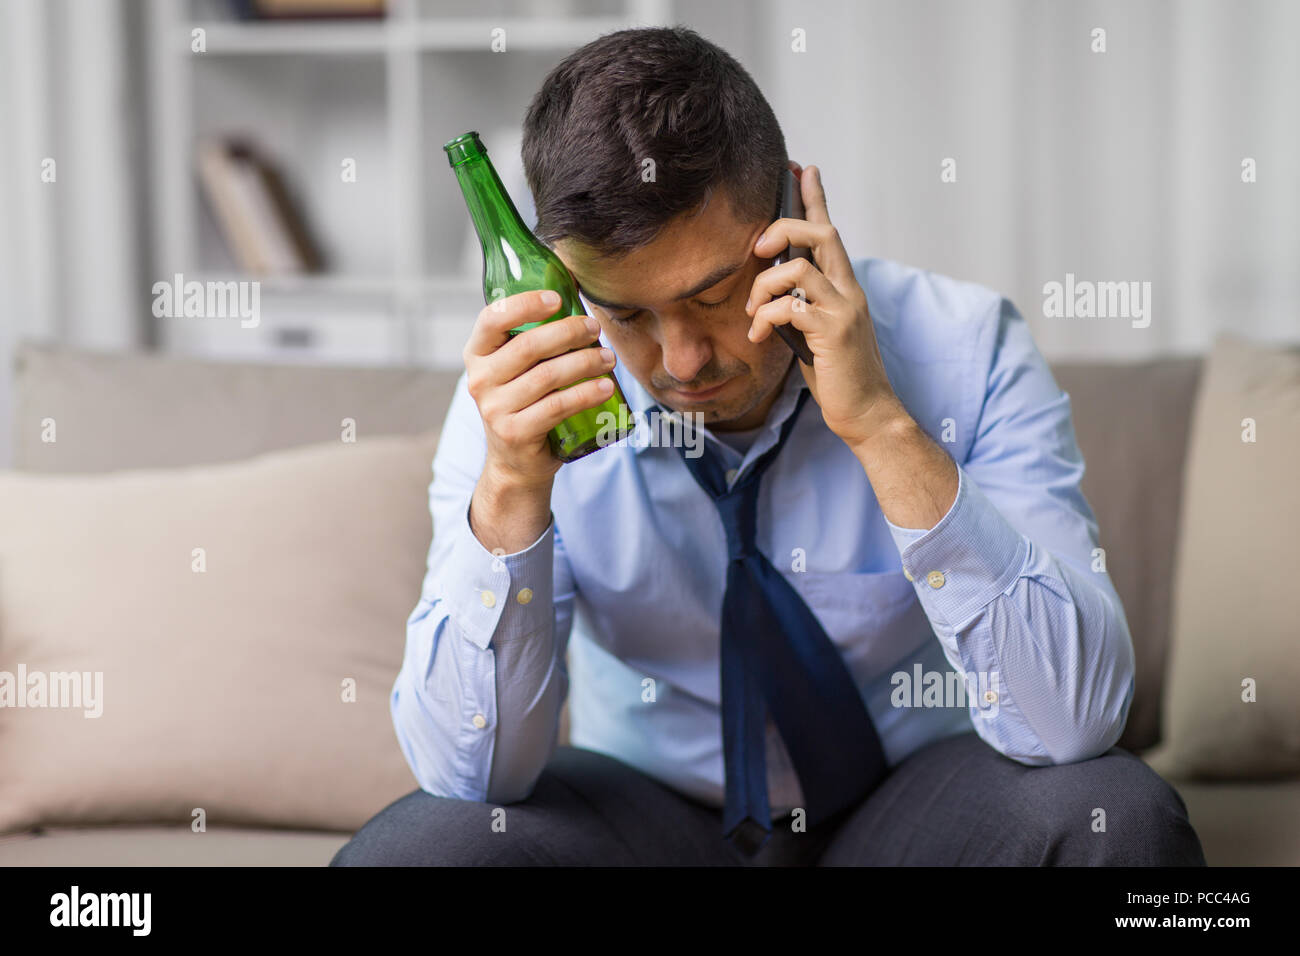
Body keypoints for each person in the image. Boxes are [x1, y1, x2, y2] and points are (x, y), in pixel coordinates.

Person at [332, 25, 1204, 866]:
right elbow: (468, 776)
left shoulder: (966, 347)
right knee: (417, 852)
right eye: (626, 312)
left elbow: (1077, 721)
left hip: (906, 802)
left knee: (1116, 818)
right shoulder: (527, 395)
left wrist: (880, 425)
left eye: (714, 295)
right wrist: (514, 490)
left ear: (789, 212)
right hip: (655, 810)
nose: (681, 363)